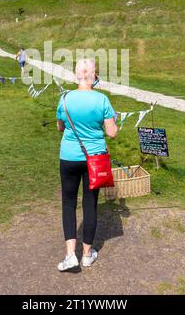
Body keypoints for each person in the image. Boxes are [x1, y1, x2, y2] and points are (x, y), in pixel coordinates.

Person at [56, 59, 118, 272]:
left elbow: (59, 127)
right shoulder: (102, 100)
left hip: (69, 157)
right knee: (90, 204)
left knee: (69, 203)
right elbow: (112, 132)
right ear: (94, 76)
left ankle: (70, 255)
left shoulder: (64, 99)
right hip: (95, 159)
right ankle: (87, 255)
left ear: (76, 76)